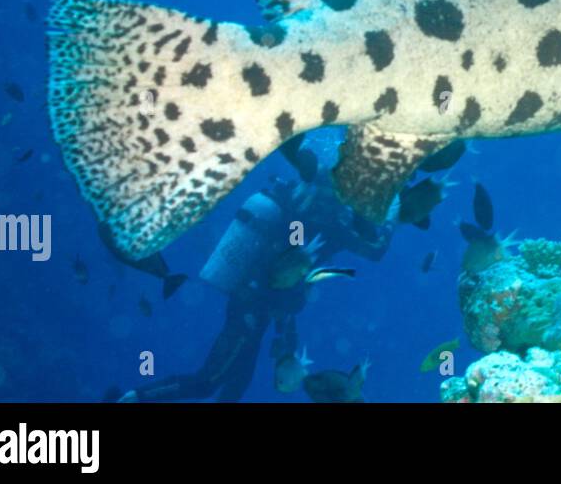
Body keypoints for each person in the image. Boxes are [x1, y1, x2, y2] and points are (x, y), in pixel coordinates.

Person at [118, 135, 394, 402]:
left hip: (255, 306)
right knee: (209, 381)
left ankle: (137, 397)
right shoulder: (334, 222)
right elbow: (375, 249)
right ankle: (134, 398)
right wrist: (394, 209)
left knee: (236, 385)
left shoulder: (298, 201)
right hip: (254, 308)